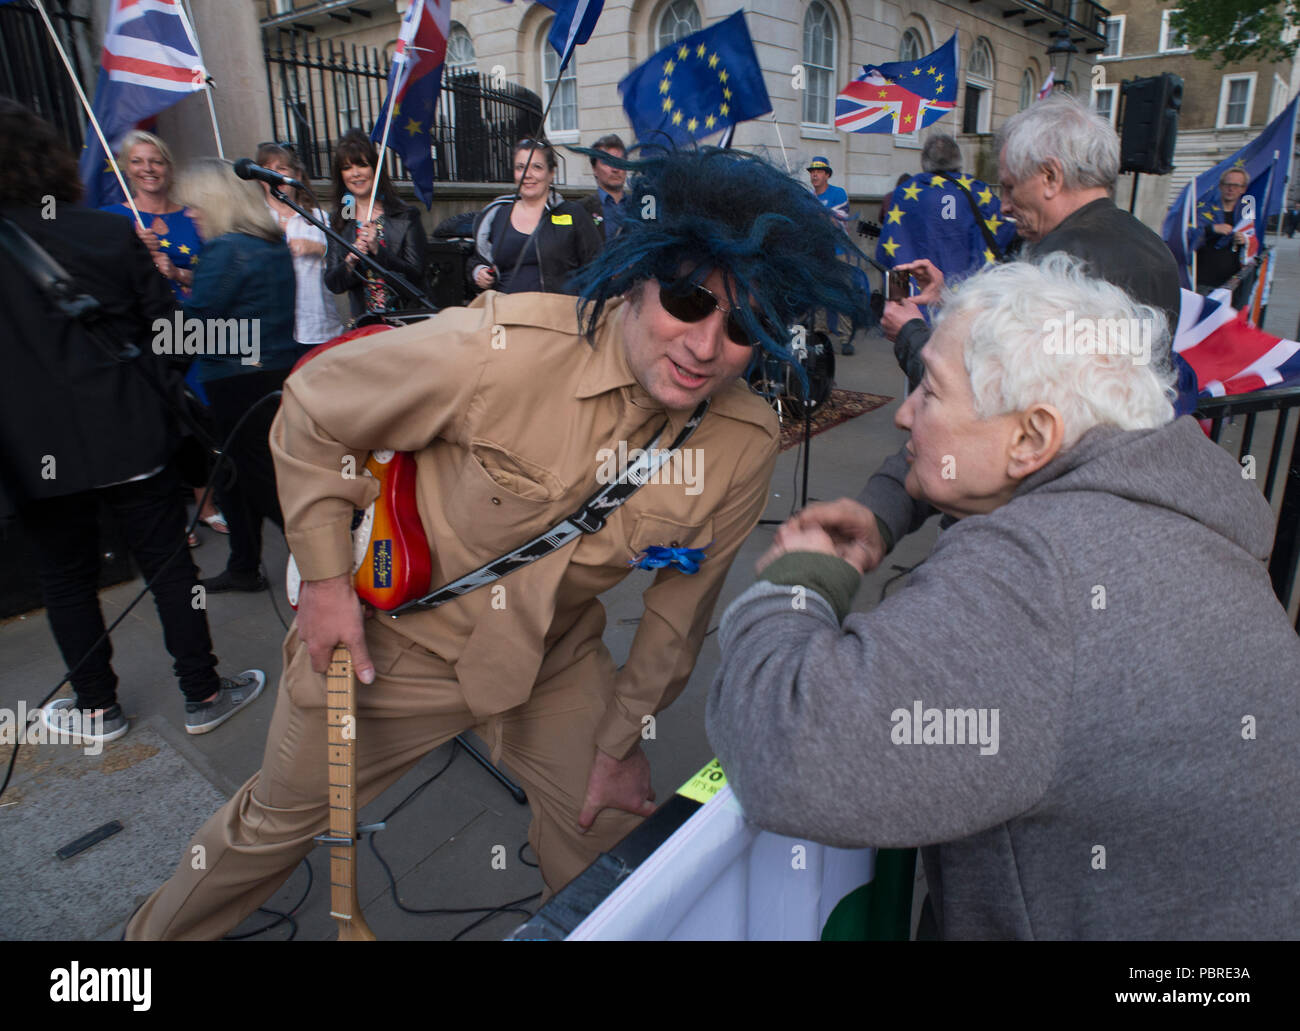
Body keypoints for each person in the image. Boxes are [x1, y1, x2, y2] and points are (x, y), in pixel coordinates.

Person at [125, 145, 872, 940]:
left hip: (552, 661)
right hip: (392, 648)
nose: (704, 344)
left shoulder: (742, 439)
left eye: (745, 324)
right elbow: (314, 405)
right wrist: (326, 579)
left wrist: (622, 738)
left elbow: (676, 616)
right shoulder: (499, 350)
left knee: (609, 853)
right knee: (269, 830)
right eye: (689, 299)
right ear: (637, 275)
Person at [708, 255, 1300, 940]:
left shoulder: (1041, 576)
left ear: (1030, 438)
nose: (902, 416)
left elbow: (786, 746)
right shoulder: (1173, 519)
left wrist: (800, 584)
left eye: (929, 390)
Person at [0, 101, 263, 741]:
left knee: (66, 580)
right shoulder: (105, 231)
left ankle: (97, 708)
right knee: (170, 567)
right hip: (130, 435)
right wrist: (151, 389)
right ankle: (202, 692)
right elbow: (173, 336)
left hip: (35, 454)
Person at [177, 159, 298, 594]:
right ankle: (244, 565)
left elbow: (194, 324)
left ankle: (329, 562)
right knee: (238, 477)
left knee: (257, 480)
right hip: (269, 372)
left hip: (236, 379)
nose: (189, 212)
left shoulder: (227, 248)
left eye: (193, 204)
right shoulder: (269, 244)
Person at [102, 129, 225, 540]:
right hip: (142, 335)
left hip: (192, 332)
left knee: (200, 420)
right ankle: (172, 519)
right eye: (138, 161)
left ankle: (206, 506)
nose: (148, 169)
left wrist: (175, 271)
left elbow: (214, 277)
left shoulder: (193, 217)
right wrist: (137, 256)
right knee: (160, 423)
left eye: (155, 161)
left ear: (168, 167)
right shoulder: (111, 220)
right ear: (125, 168)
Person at [875, 133, 1017, 290]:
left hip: (919, 301)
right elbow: (1006, 234)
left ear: (924, 161)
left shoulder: (903, 194)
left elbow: (888, 254)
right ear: (958, 159)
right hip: (968, 300)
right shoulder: (979, 191)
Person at [469, 138, 602, 295]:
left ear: (551, 173)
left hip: (558, 314)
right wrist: (479, 272)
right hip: (505, 313)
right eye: (520, 167)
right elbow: (478, 259)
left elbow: (596, 265)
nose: (527, 175)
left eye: (537, 167)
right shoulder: (497, 214)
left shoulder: (573, 213)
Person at [323, 130, 429, 321]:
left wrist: (378, 252)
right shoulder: (339, 221)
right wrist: (351, 260)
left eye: (362, 165)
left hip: (405, 323)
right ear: (341, 175)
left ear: (375, 168)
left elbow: (416, 274)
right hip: (364, 324)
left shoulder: (405, 215)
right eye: (347, 167)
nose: (355, 174)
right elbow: (334, 284)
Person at [256, 142, 344, 347]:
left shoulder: (318, 218)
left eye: (281, 168)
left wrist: (317, 248)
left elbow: (340, 264)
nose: (274, 175)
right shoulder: (255, 220)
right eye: (268, 170)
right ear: (260, 179)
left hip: (318, 326)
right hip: (273, 330)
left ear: (296, 176)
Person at [1193, 167, 1249, 294]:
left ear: (1243, 189)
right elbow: (1188, 234)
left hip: (1233, 284)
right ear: (1221, 186)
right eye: (1227, 184)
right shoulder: (1203, 210)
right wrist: (1211, 228)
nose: (1231, 189)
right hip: (1203, 280)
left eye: (1236, 185)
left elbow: (1255, 242)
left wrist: (1246, 239)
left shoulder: (1246, 215)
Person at [579, 133, 633, 241]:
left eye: (620, 162)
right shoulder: (581, 209)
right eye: (607, 162)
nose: (615, 169)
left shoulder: (641, 206)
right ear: (594, 169)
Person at [807, 156, 849, 224]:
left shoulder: (839, 193)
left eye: (819, 172)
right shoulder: (808, 196)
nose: (815, 175)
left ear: (827, 175)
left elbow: (839, 222)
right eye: (812, 172)